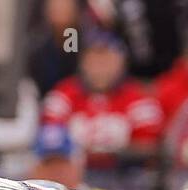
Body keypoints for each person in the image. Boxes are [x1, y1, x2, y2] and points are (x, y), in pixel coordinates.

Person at [40, 28, 163, 172]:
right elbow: (50, 141)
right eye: (94, 59)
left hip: (124, 177)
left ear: (121, 62)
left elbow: (148, 148)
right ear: (83, 62)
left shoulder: (139, 99)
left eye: (107, 60)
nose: (100, 68)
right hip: (73, 177)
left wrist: (106, 156)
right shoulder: (63, 94)